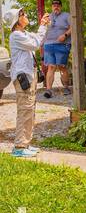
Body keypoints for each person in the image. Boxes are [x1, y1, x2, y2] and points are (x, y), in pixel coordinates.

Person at [7, 8, 49, 157]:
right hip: (23, 78)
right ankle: (19, 147)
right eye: (23, 15)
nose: (26, 16)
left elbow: (37, 37)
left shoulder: (24, 34)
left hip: (29, 77)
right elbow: (36, 43)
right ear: (17, 21)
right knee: (24, 111)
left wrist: (43, 25)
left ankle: (26, 144)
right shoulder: (16, 36)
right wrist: (43, 25)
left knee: (29, 111)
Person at [42, 0, 72, 98]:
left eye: (58, 5)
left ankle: (66, 87)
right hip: (48, 45)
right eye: (54, 5)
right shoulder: (48, 17)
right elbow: (43, 29)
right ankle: (49, 90)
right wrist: (41, 43)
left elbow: (73, 26)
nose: (56, 7)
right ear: (51, 7)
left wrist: (65, 34)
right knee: (51, 67)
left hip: (62, 44)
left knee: (62, 66)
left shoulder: (67, 16)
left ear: (61, 7)